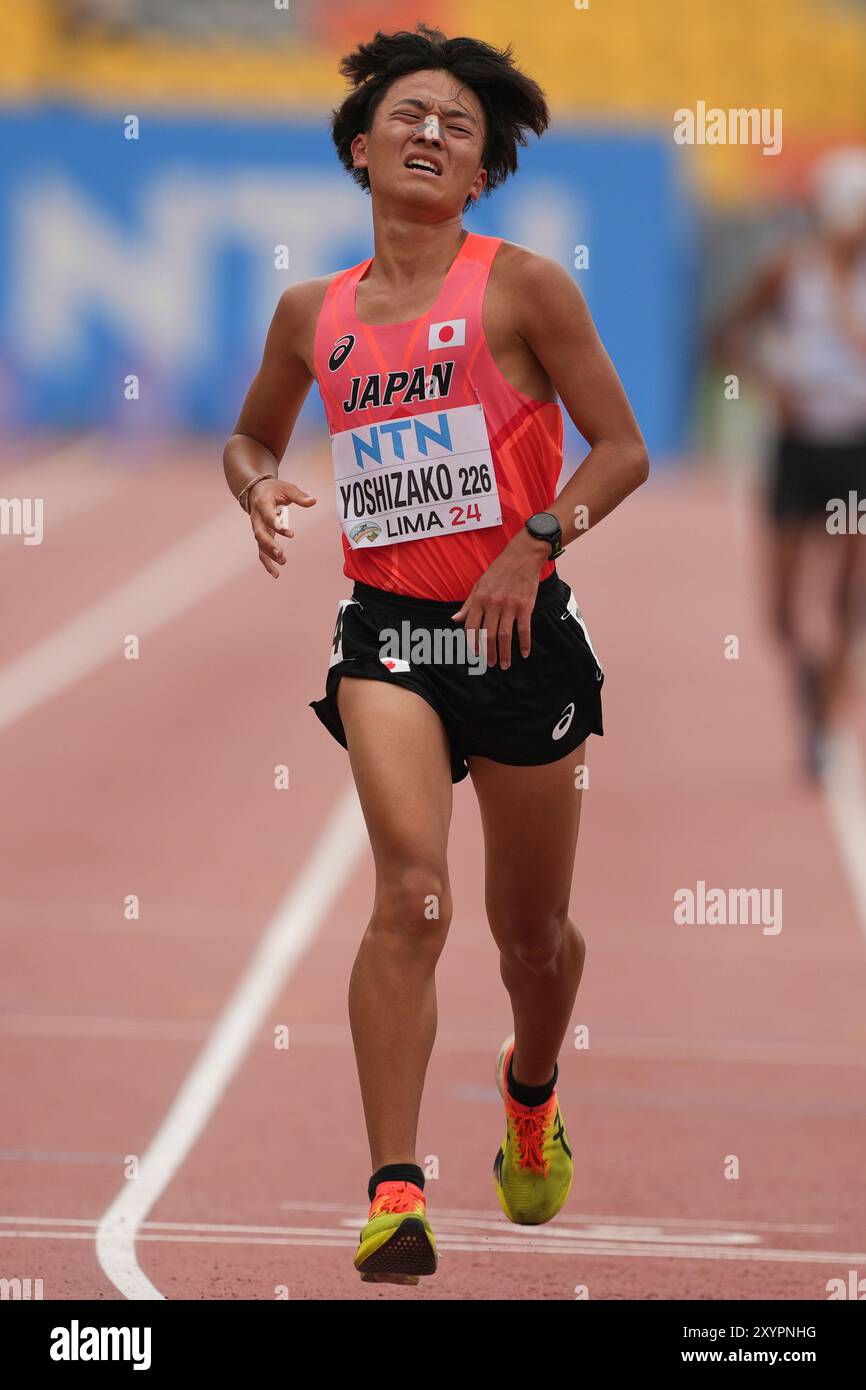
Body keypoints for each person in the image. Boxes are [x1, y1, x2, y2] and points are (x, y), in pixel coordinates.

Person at [223, 22, 648, 1285]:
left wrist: (535, 538)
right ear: (359, 148)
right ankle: (394, 1191)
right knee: (411, 894)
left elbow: (620, 449)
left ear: (479, 176)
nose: (430, 135)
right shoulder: (315, 312)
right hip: (387, 636)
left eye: (458, 128)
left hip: (520, 637)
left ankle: (529, 1089)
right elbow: (250, 438)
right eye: (408, 116)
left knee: (532, 936)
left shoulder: (523, 288)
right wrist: (256, 487)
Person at [714, 146, 866, 779]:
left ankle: (824, 730)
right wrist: (772, 386)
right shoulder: (787, 270)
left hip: (857, 448)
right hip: (799, 448)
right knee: (779, 608)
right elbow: (728, 332)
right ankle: (809, 686)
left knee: (847, 599)